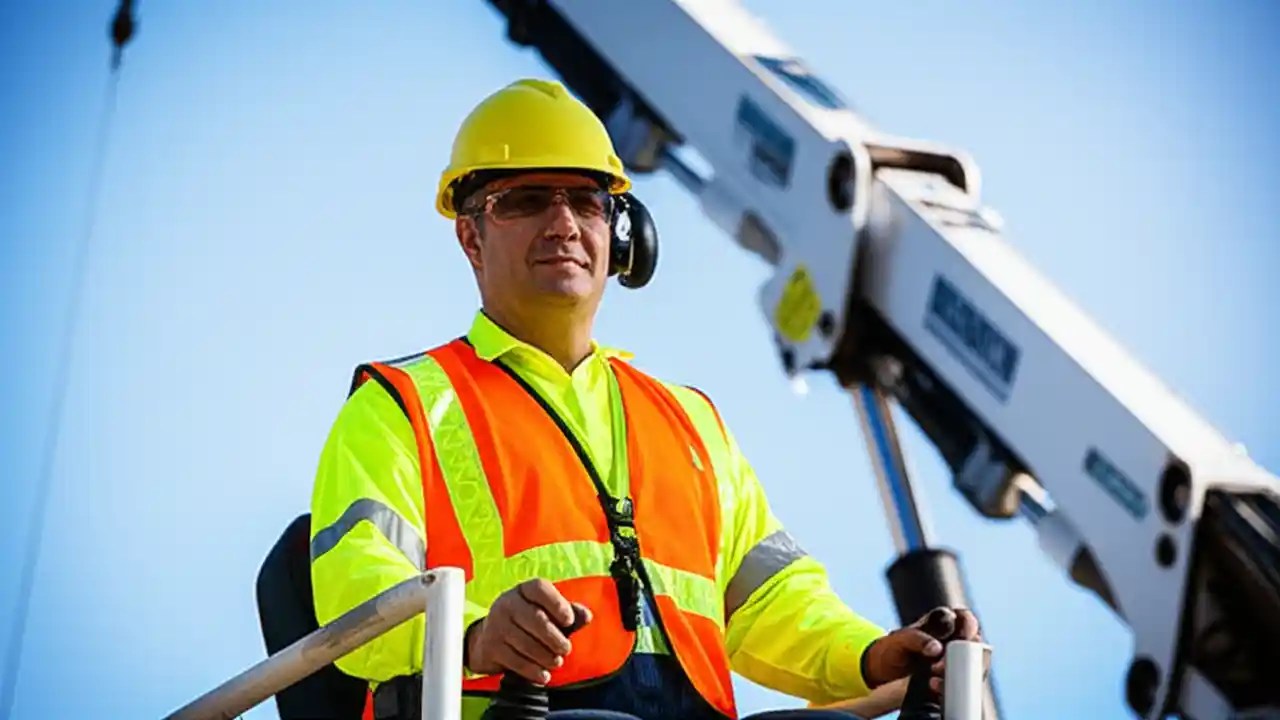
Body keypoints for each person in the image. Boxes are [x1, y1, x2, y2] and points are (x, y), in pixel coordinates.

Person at [307, 78, 983, 720]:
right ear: (470, 236)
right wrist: (477, 636)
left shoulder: (688, 422)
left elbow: (774, 601)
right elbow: (358, 592)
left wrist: (872, 656)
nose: (564, 222)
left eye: (588, 200)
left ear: (621, 235)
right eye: (525, 199)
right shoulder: (403, 404)